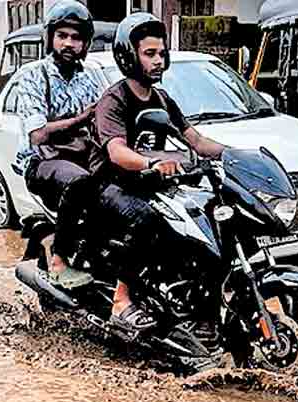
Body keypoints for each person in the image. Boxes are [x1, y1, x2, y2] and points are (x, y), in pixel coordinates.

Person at [91, 12, 227, 336]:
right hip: (109, 183)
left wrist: (234, 154)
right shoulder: (114, 100)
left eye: (162, 54)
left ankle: (201, 311)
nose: (159, 61)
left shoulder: (162, 99)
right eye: (150, 54)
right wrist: (150, 164)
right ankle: (122, 301)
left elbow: (194, 139)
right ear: (129, 56)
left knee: (204, 224)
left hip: (147, 182)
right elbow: (116, 152)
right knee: (145, 220)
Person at [11, 0, 103, 289]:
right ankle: (59, 260)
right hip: (42, 162)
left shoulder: (88, 78)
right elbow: (38, 134)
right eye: (62, 36)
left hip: (80, 158)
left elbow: (102, 121)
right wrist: (81, 118)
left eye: (76, 38)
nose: (69, 44)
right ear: (50, 38)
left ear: (85, 43)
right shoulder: (33, 75)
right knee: (79, 183)